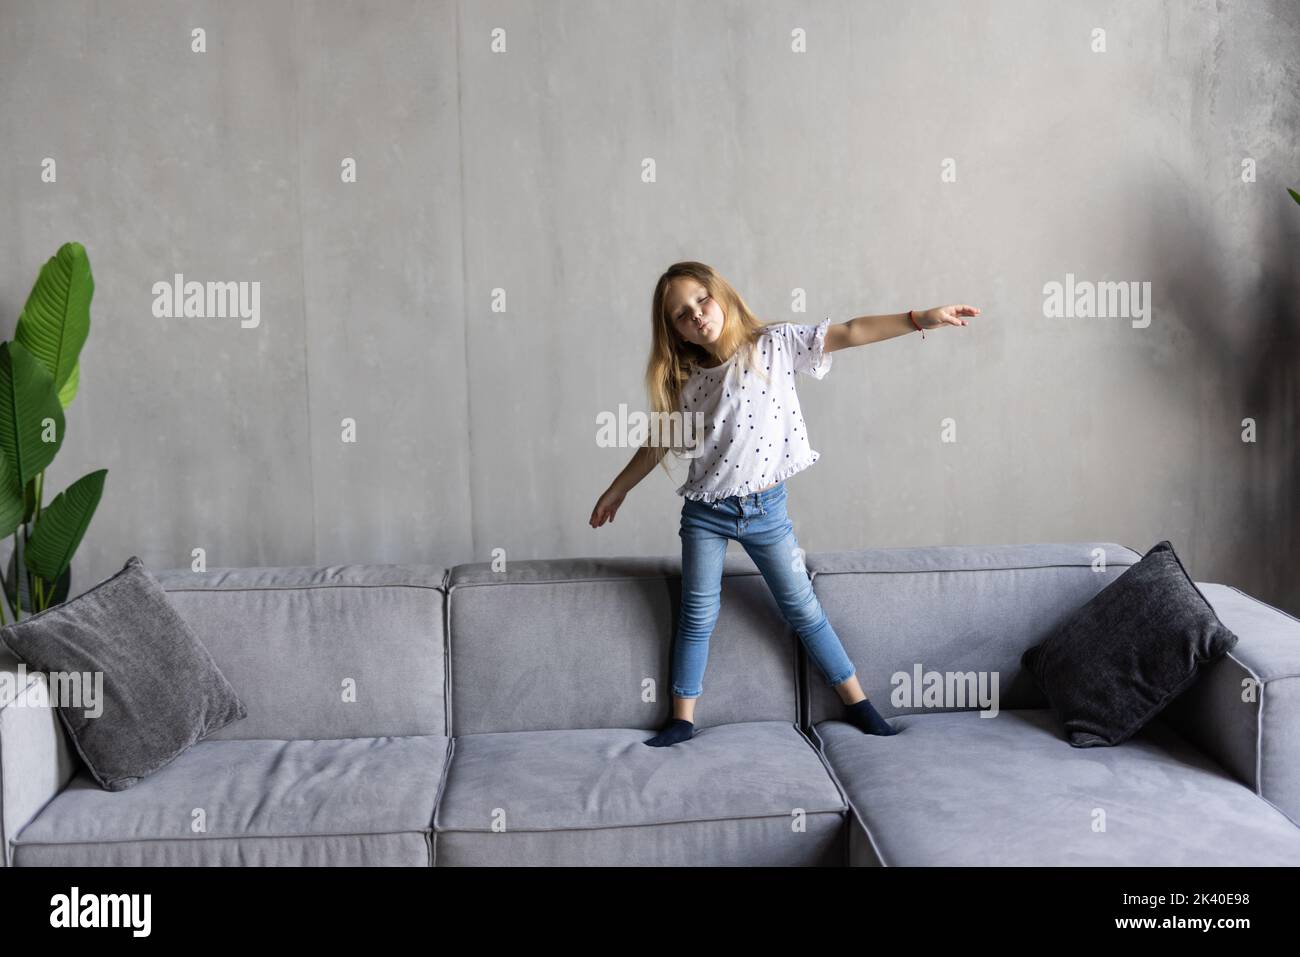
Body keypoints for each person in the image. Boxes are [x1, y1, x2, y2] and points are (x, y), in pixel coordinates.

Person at [589, 261, 979, 746]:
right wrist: (618, 487)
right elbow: (657, 444)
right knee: (697, 614)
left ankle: (859, 703)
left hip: (765, 513)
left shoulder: (772, 345)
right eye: (682, 315)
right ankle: (682, 718)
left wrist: (921, 317)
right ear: (675, 331)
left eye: (701, 301)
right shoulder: (688, 383)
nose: (697, 316)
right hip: (706, 513)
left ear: (723, 297)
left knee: (802, 608)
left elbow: (853, 331)